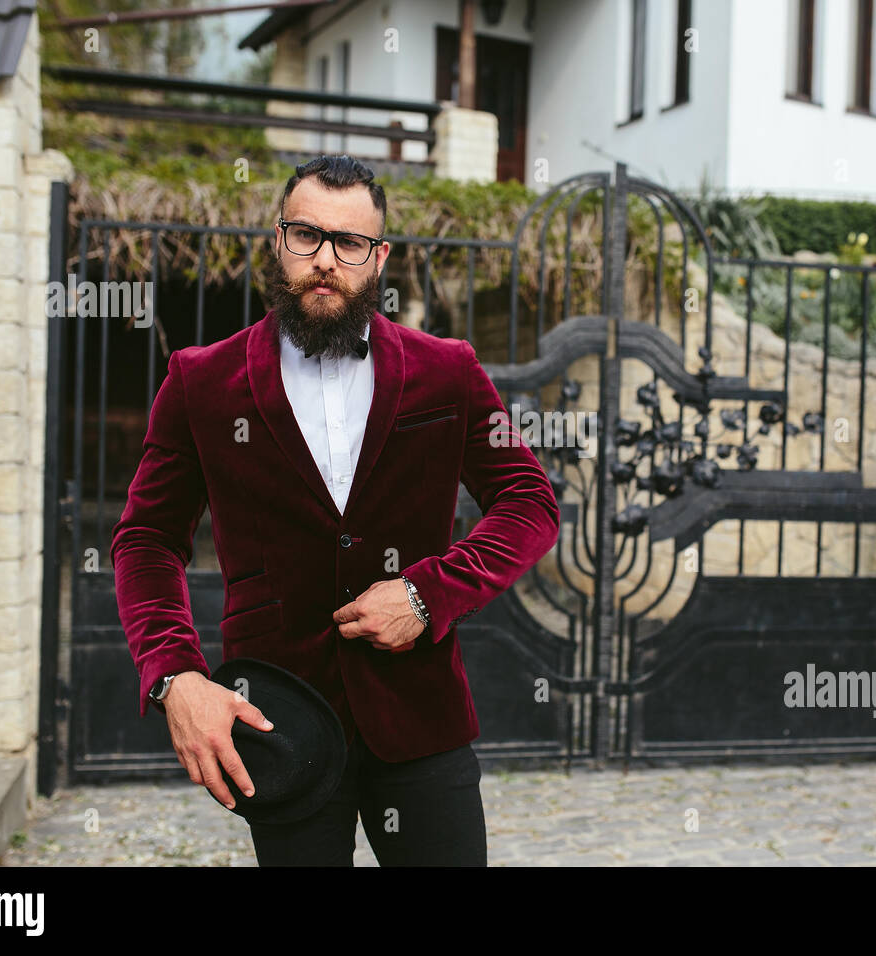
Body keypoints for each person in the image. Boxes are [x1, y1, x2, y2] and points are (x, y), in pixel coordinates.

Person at [111, 154, 561, 866]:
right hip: (278, 719)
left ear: (379, 257)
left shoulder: (450, 370)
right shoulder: (201, 381)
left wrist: (426, 592)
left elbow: (530, 502)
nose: (325, 259)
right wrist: (174, 676)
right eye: (306, 236)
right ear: (278, 241)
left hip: (420, 716)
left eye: (349, 243)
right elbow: (145, 540)